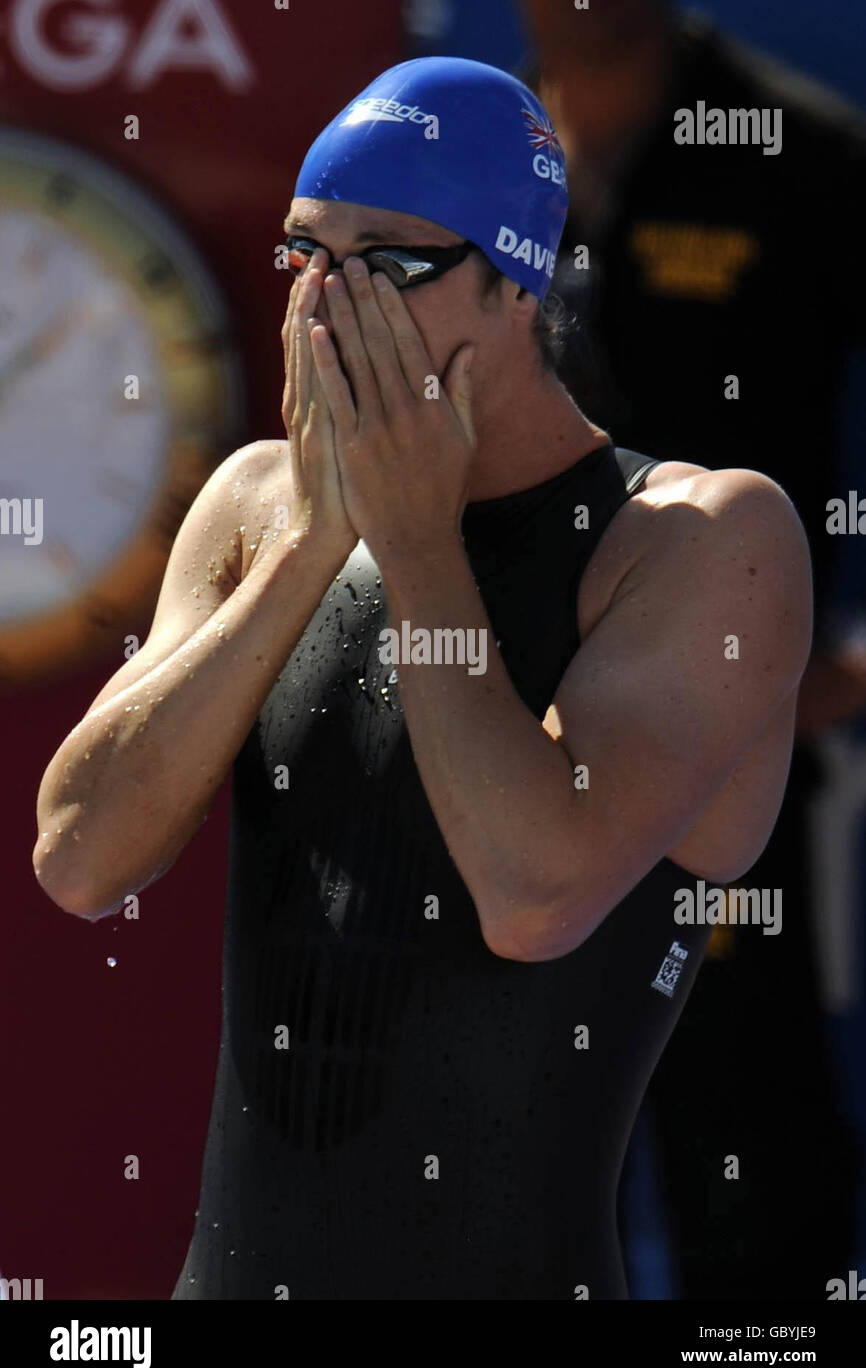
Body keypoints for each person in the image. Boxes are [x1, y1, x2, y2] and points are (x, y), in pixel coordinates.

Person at [33, 57, 811, 1300]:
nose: (328, 307)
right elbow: (78, 855)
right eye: (306, 258)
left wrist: (413, 544)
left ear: (516, 281)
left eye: (387, 265)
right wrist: (306, 549)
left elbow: (534, 894)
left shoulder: (698, 543)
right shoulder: (257, 507)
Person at [519, 0, 866, 1297]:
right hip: (501, 758)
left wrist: (843, 666)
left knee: (752, 1187)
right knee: (510, 1171)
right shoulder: (465, 147)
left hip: (731, 777)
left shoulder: (802, 152)